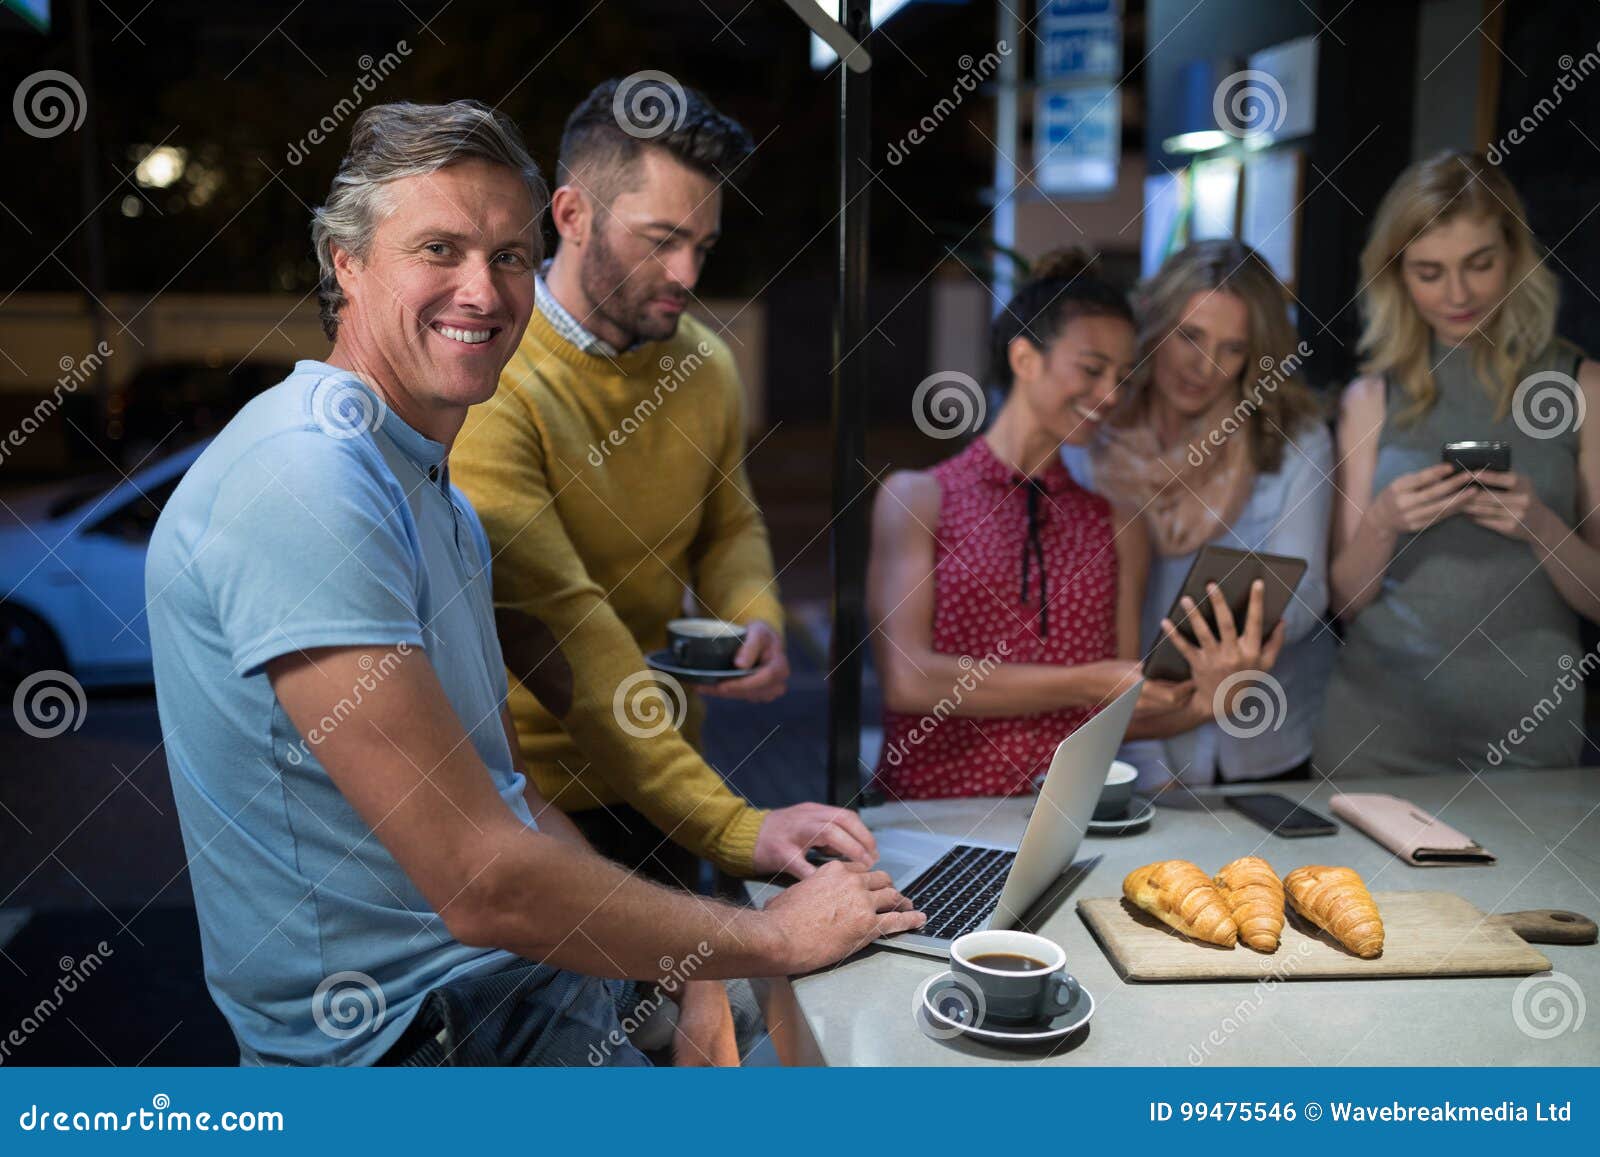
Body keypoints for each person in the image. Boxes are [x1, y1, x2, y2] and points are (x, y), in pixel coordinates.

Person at [145, 100, 922, 1069]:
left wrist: (689, 958)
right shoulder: (308, 475)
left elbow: (511, 802)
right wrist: (766, 934)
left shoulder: (434, 493)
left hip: (508, 978)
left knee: (865, 1025)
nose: (482, 288)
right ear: (346, 262)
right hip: (407, 1039)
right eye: (440, 247)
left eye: (508, 256)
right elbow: (481, 877)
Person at [452, 79, 867, 886]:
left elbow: (729, 525)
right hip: (526, 792)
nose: (686, 271)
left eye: (702, 247)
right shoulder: (493, 375)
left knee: (693, 1005)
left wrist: (755, 617)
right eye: (661, 240)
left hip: (667, 768)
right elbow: (568, 631)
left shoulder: (704, 365)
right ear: (571, 216)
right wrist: (734, 825)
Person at [867, 250, 1285, 801]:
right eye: (1091, 370)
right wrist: (1087, 681)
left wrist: (1207, 704)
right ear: (1024, 359)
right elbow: (909, 680)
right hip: (934, 816)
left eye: (1121, 376)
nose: (1110, 396)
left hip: (1064, 826)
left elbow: (1112, 719)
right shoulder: (917, 498)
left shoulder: (1117, 525)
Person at [1316, 151, 1600, 776]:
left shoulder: (1580, 386)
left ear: (1515, 257)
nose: (1458, 294)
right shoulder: (1370, 398)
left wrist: (1542, 527)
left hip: (1529, 732)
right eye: (1429, 271)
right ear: (1395, 275)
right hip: (1376, 726)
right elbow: (1346, 601)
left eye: (1480, 264)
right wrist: (1384, 520)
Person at [1063, 240, 1334, 788]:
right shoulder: (1092, 431)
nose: (1203, 366)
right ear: (1155, 325)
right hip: (1120, 743)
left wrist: (1234, 637)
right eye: (1190, 336)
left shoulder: (1293, 439)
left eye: (1231, 349)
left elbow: (1307, 595)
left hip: (1258, 743)